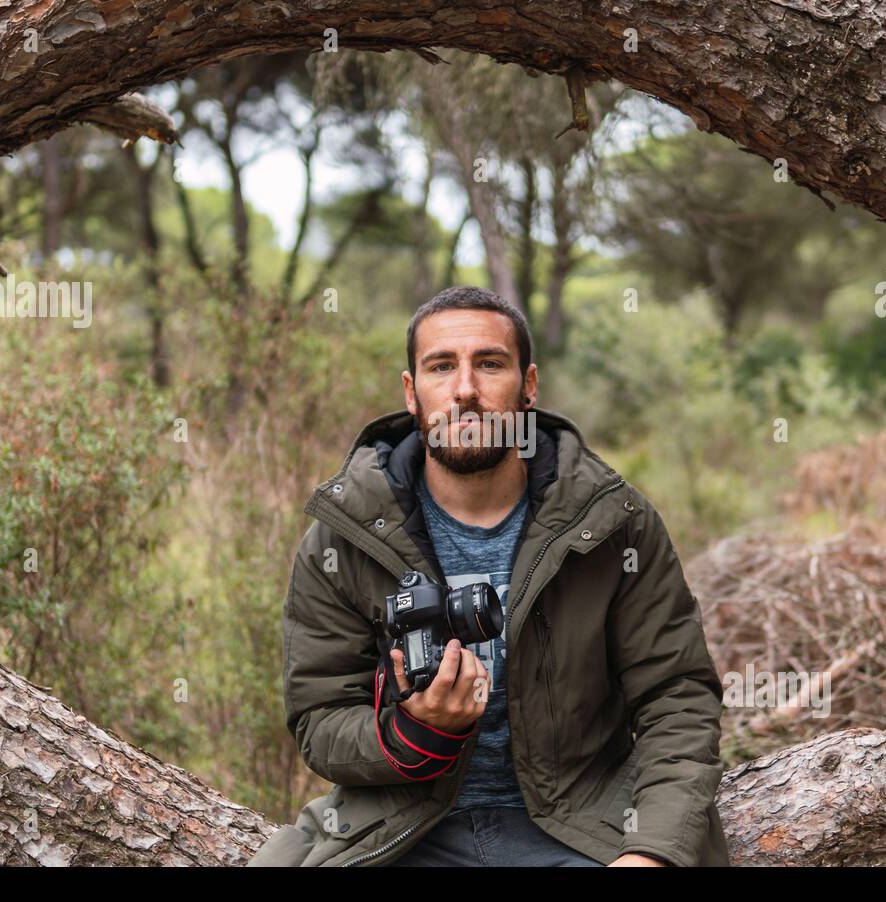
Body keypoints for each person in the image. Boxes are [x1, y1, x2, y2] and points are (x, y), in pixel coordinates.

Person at [248, 286, 729, 867]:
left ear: (529, 385)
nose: (466, 390)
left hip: (584, 825)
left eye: (489, 364)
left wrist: (651, 850)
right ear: (412, 392)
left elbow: (676, 698)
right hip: (403, 828)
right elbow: (320, 719)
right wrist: (413, 733)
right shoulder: (343, 534)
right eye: (441, 367)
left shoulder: (611, 522)